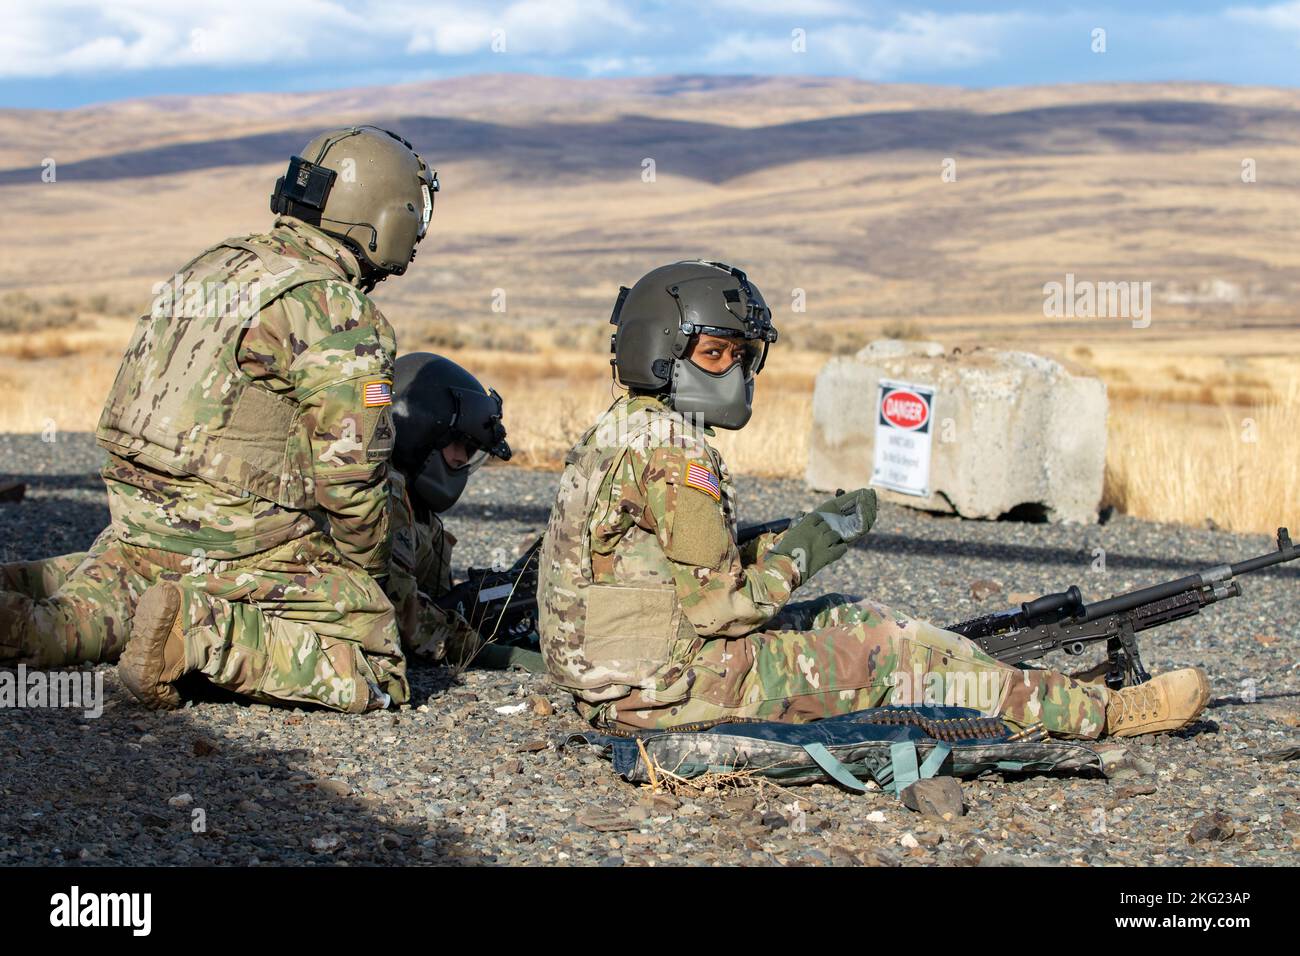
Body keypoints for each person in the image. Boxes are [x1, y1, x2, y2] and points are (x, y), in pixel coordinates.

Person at [537, 259, 1211, 738]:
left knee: (848, 614)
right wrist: (805, 550)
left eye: (743, 354)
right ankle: (1105, 714)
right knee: (899, 655)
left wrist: (777, 545)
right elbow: (725, 613)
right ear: (664, 351)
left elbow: (665, 569)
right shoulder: (674, 453)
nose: (737, 372)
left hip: (623, 679)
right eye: (718, 353)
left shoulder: (621, 429)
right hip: (667, 692)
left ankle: (1014, 685)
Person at [0, 126, 439, 713]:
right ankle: (198, 633)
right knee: (376, 666)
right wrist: (365, 580)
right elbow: (352, 481)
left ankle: (48, 608)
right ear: (389, 218)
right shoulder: (336, 309)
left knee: (65, 627)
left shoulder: (211, 265)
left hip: (142, 527)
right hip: (241, 546)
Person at [385, 352, 516, 667]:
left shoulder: (416, 505)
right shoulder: (384, 496)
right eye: (462, 445)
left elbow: (430, 598)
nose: (462, 460)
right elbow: (403, 614)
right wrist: (488, 652)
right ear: (422, 431)